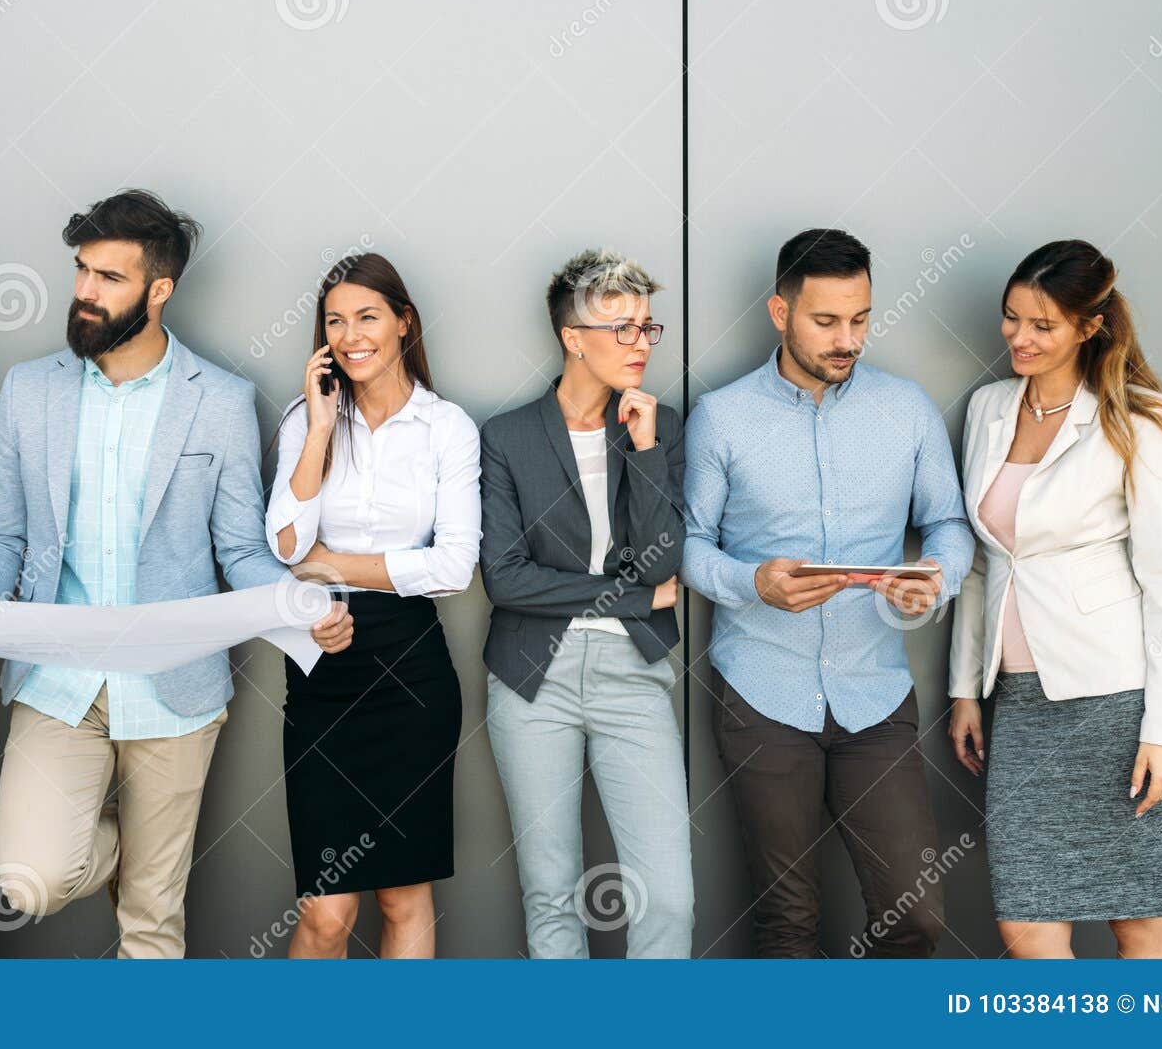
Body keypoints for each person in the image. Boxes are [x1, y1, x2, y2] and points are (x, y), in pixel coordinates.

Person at [0, 190, 352, 958]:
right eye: (82, 270)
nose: (85, 291)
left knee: (152, 923)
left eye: (109, 277)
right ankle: (119, 857)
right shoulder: (29, 390)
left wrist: (303, 606)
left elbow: (239, 550)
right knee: (30, 878)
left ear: (159, 290)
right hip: (56, 681)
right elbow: (2, 538)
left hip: (176, 688)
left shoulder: (219, 401)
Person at [681, 227, 974, 957]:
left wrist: (934, 581)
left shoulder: (906, 410)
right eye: (826, 321)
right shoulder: (722, 416)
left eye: (861, 318)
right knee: (787, 922)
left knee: (915, 915)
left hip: (875, 694)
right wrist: (751, 582)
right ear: (780, 312)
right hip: (761, 693)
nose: (848, 339)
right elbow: (687, 544)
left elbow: (947, 522)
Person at [948, 240, 1162, 959]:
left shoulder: (1138, 417)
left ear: (1090, 326)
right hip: (1021, 700)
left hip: (1116, 700)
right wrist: (967, 688)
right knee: (1026, 919)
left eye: (1043, 325)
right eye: (1011, 319)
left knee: (1140, 915)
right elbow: (979, 561)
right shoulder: (990, 408)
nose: (1020, 338)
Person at [265, 251, 480, 958]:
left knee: (403, 897)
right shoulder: (307, 417)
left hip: (411, 673)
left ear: (403, 322)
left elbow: (452, 567)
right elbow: (286, 542)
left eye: (368, 316)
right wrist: (324, 427)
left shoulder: (446, 427)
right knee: (326, 912)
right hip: (323, 664)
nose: (352, 334)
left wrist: (335, 562)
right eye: (336, 321)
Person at [479, 247, 692, 958]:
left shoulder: (657, 427)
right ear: (574, 339)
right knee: (552, 893)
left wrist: (644, 447)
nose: (640, 344)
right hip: (532, 677)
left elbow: (667, 561)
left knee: (667, 896)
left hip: (633, 672)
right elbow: (505, 578)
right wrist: (629, 595)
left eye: (646, 327)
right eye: (621, 328)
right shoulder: (506, 437)